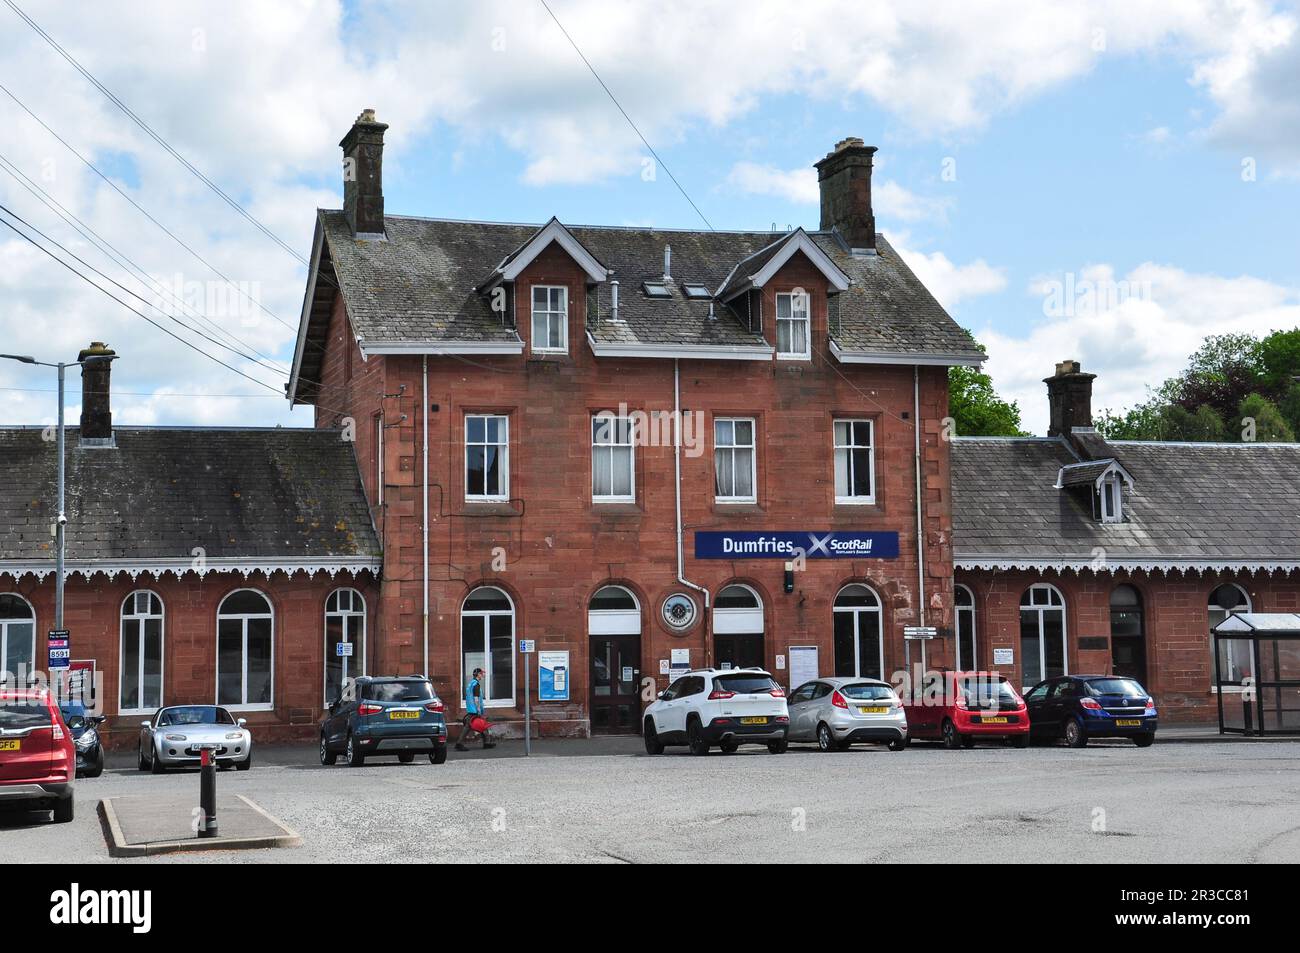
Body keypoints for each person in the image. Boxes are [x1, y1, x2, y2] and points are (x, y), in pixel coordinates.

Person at [457, 667, 495, 751]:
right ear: (478, 675)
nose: (483, 675)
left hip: (471, 709)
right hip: (474, 710)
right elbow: (476, 698)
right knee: (469, 726)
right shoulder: (476, 684)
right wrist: (478, 709)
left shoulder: (471, 684)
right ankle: (459, 743)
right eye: (481, 674)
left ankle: (487, 742)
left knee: (481, 725)